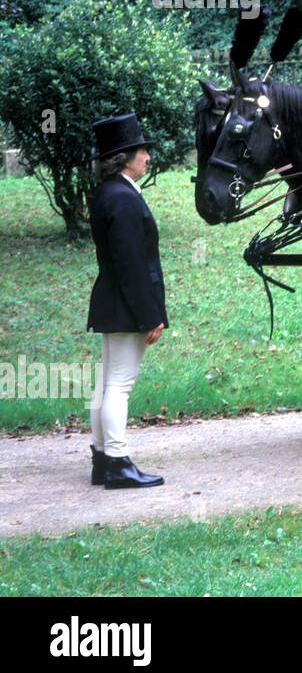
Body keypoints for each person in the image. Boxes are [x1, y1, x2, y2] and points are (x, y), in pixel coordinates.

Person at [86, 113, 166, 489]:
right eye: (142, 151)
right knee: (119, 384)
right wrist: (150, 314)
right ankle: (117, 462)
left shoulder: (108, 192)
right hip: (125, 305)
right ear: (124, 157)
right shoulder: (122, 198)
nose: (147, 157)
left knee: (106, 383)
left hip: (112, 301)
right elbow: (132, 264)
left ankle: (103, 459)